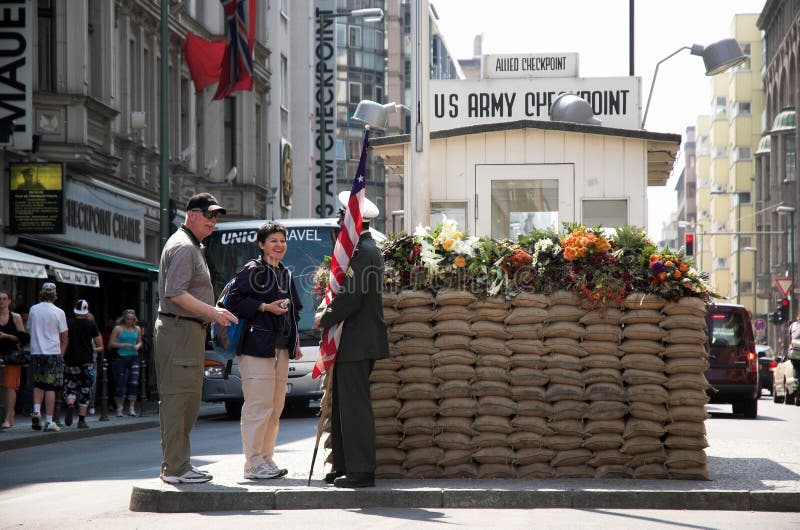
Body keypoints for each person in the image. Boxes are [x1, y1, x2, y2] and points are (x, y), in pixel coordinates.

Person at [154, 192, 237, 484]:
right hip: (180, 330)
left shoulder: (190, 245)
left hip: (185, 330)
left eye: (215, 216)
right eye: (208, 214)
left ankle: (180, 465)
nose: (213, 221)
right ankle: (175, 468)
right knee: (179, 400)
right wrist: (212, 312)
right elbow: (175, 293)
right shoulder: (184, 247)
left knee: (187, 399)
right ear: (191, 215)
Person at [314, 192, 389, 488]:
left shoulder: (364, 252)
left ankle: (362, 470)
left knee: (355, 407)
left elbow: (351, 297)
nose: (338, 221)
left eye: (341, 215)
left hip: (357, 341)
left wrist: (325, 317)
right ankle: (344, 465)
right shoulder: (362, 249)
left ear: (351, 219)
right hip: (352, 341)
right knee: (344, 406)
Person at [227, 222, 303, 480]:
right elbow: (233, 301)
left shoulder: (285, 273)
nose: (279, 245)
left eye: (282, 240)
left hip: (280, 348)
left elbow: (294, 311)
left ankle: (266, 459)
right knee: (258, 405)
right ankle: (252, 463)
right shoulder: (253, 269)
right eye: (273, 241)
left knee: (275, 406)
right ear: (261, 245)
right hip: (256, 348)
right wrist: (264, 307)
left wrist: (295, 342)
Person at [27, 282, 68, 432]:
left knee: (38, 384)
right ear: (55, 294)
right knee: (51, 387)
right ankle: (49, 421)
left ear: (42, 293)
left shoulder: (33, 309)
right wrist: (61, 355)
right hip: (52, 352)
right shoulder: (59, 312)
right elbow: (64, 336)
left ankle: (36, 411)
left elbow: (29, 329)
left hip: (36, 352)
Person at [63, 300, 103, 428]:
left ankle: (70, 403)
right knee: (85, 389)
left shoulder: (68, 323)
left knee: (71, 386)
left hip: (71, 360)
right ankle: (81, 420)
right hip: (87, 361)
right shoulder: (91, 324)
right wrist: (92, 349)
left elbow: (64, 340)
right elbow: (100, 344)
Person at [0, 291, 28, 429]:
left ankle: (8, 416)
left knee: (10, 386)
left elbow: (23, 338)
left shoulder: (15, 317)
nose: (1, 301)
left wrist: (6, 336)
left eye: (4, 299)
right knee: (2, 387)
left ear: (9, 301)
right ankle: (7, 415)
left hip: (11, 356)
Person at [108, 309, 142, 417]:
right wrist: (122, 345)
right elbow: (111, 343)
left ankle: (131, 407)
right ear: (124, 319)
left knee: (134, 382)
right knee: (120, 383)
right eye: (127, 319)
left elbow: (139, 341)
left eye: (132, 319)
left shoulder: (137, 329)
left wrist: (137, 346)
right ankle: (120, 407)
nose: (129, 321)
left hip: (134, 357)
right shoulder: (118, 328)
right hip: (121, 358)